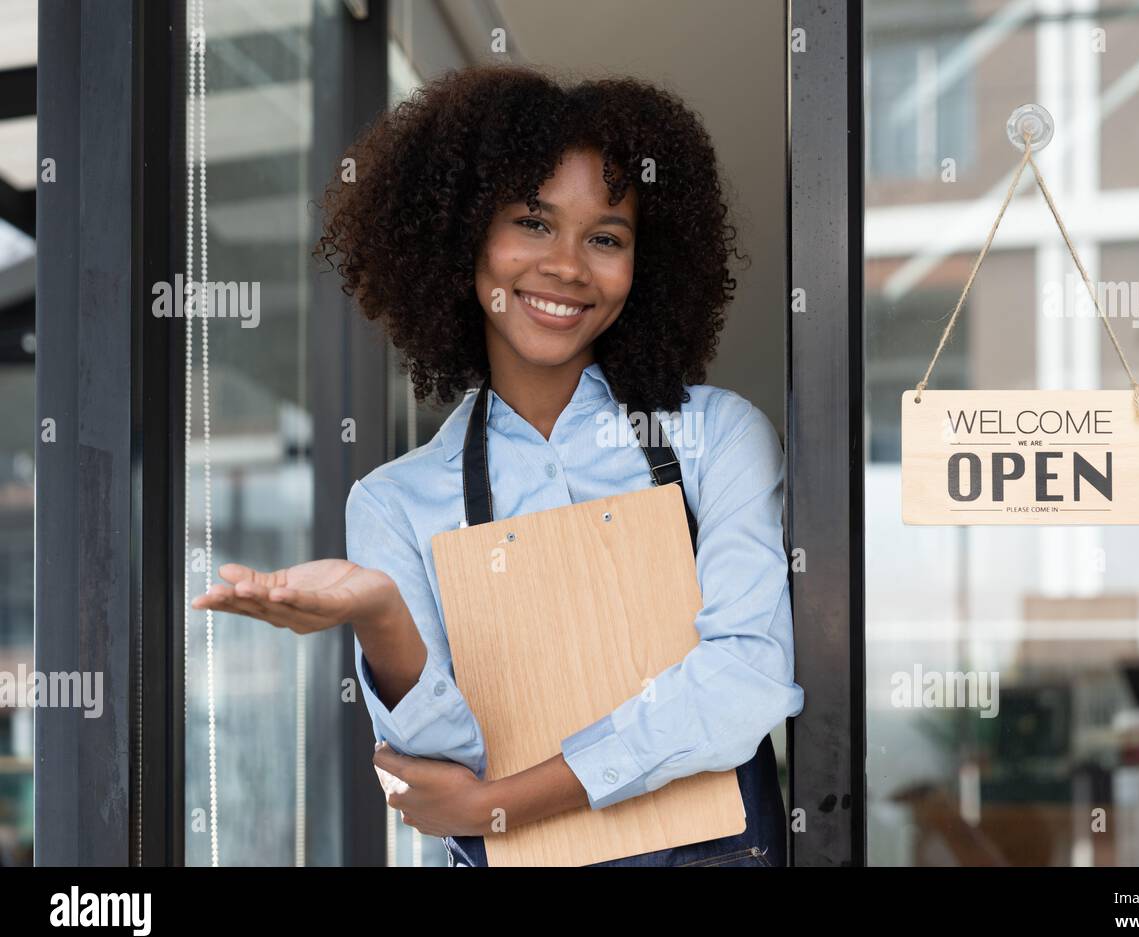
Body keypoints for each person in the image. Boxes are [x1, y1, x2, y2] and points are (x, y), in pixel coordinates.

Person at [192, 65, 803, 867]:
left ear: (643, 266)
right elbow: (437, 779)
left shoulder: (715, 439)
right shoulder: (395, 503)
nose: (567, 266)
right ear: (464, 238)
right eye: (533, 223)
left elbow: (745, 681)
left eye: (606, 237)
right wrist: (382, 617)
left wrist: (503, 804)